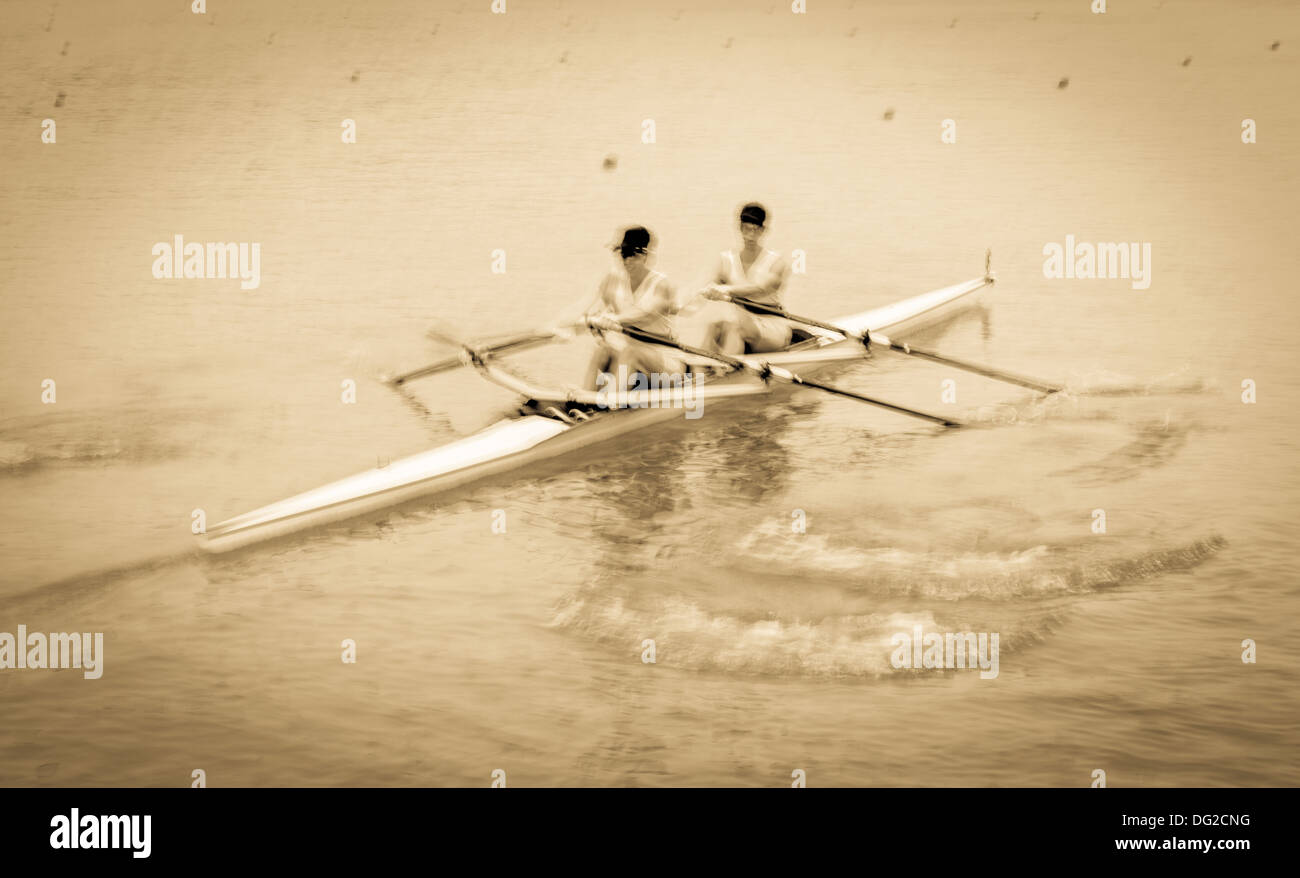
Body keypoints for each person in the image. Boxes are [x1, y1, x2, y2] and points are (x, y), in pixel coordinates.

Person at [580, 226, 682, 391]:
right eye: (623, 255)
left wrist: (614, 319)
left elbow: (646, 312)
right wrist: (575, 323)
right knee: (602, 351)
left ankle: (611, 407)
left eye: (632, 255)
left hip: (666, 365)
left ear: (645, 255)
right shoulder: (613, 282)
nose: (627, 261)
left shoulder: (662, 285)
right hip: (633, 365)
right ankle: (584, 402)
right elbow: (587, 309)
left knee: (631, 352)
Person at [699, 202, 792, 355]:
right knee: (713, 326)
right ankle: (698, 374)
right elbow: (707, 285)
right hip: (742, 323)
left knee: (735, 327)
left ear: (763, 231)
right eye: (746, 229)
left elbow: (759, 289)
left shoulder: (777, 262)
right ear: (739, 228)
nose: (750, 235)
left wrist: (726, 289)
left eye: (755, 230)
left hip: (772, 327)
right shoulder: (726, 260)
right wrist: (692, 299)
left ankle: (726, 372)